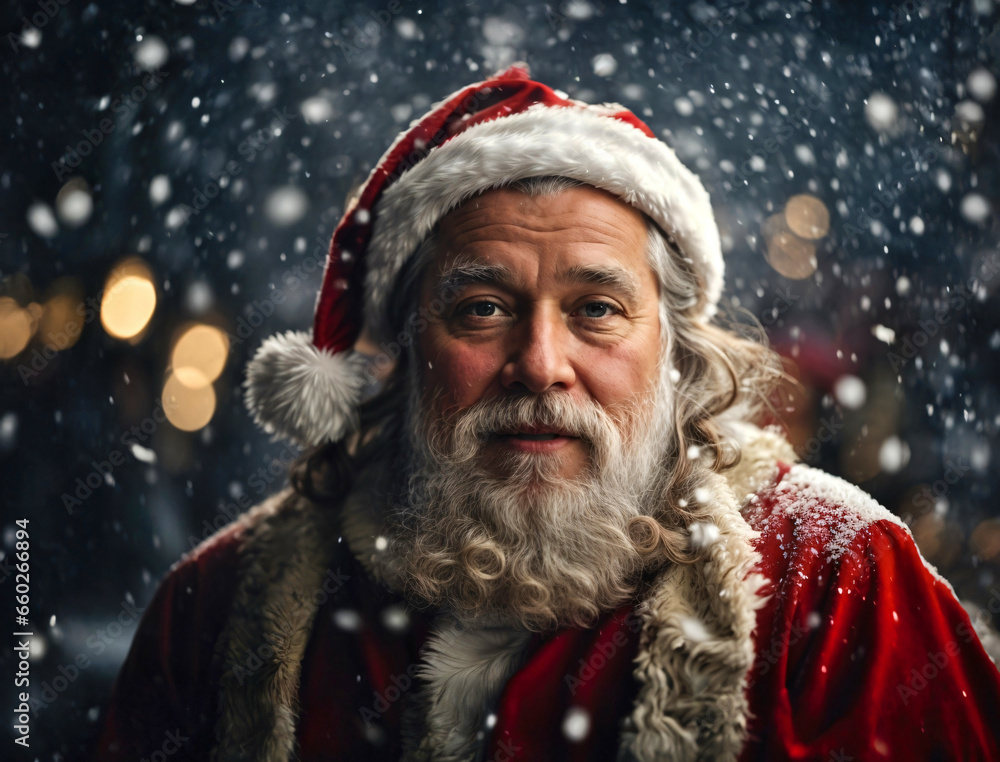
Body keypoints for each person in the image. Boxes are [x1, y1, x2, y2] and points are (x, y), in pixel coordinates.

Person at [96, 64, 1000, 761]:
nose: (540, 365)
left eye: (597, 310)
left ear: (675, 347)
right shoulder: (218, 611)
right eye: (482, 309)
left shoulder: (838, 588)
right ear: (407, 347)